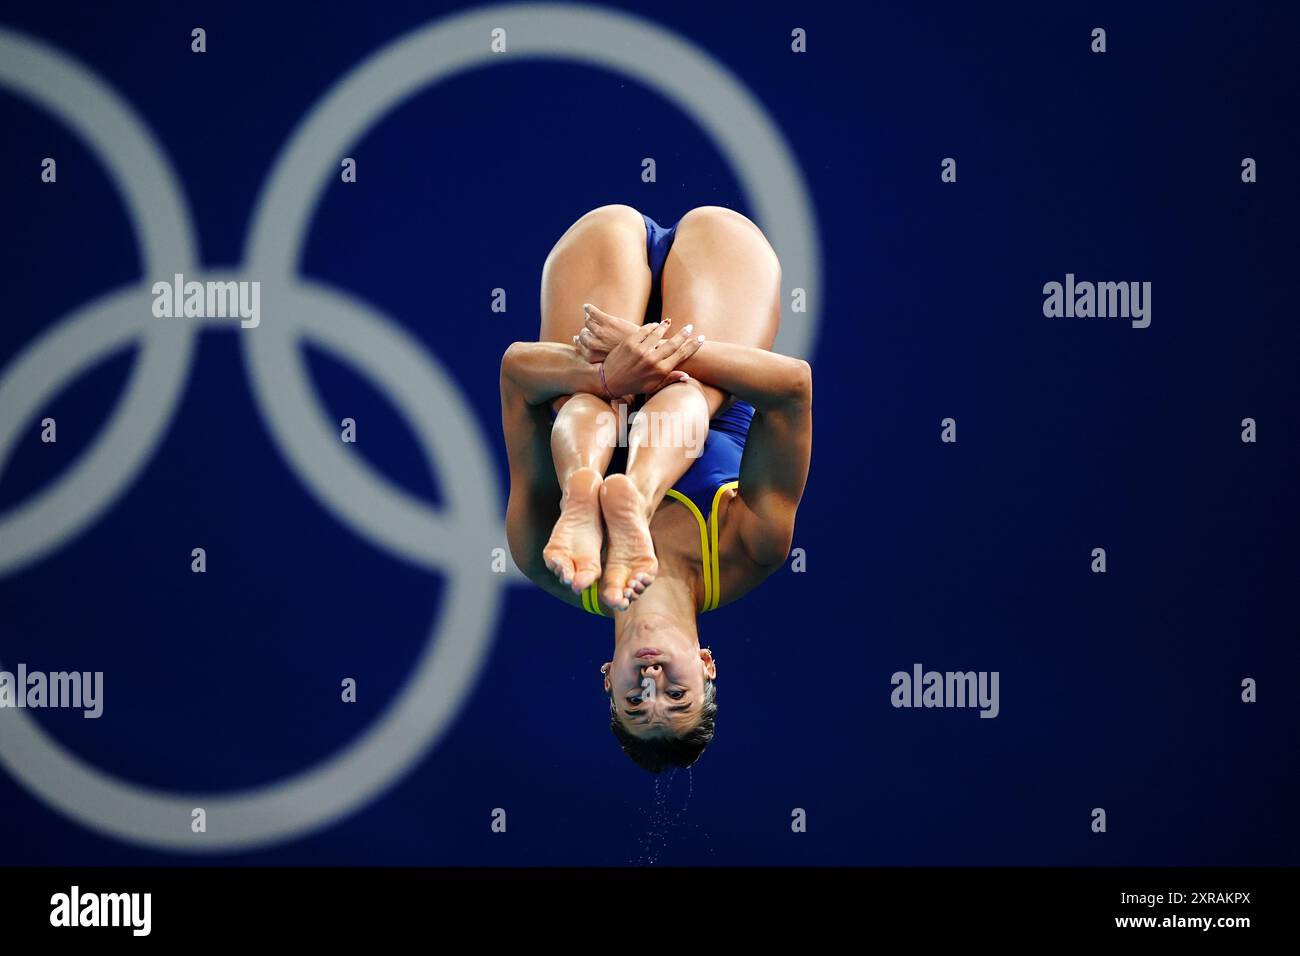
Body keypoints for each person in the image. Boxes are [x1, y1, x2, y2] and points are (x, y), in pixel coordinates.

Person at [499, 205, 812, 771]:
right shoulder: (749, 551)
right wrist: (663, 350)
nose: (652, 682)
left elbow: (517, 373)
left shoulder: (545, 560)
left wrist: (606, 375)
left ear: (606, 680)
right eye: (677, 696)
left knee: (591, 406)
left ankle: (583, 490)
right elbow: (793, 386)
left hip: (598, 348)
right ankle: (633, 493)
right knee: (688, 399)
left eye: (635, 703)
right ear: (707, 663)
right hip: (713, 314)